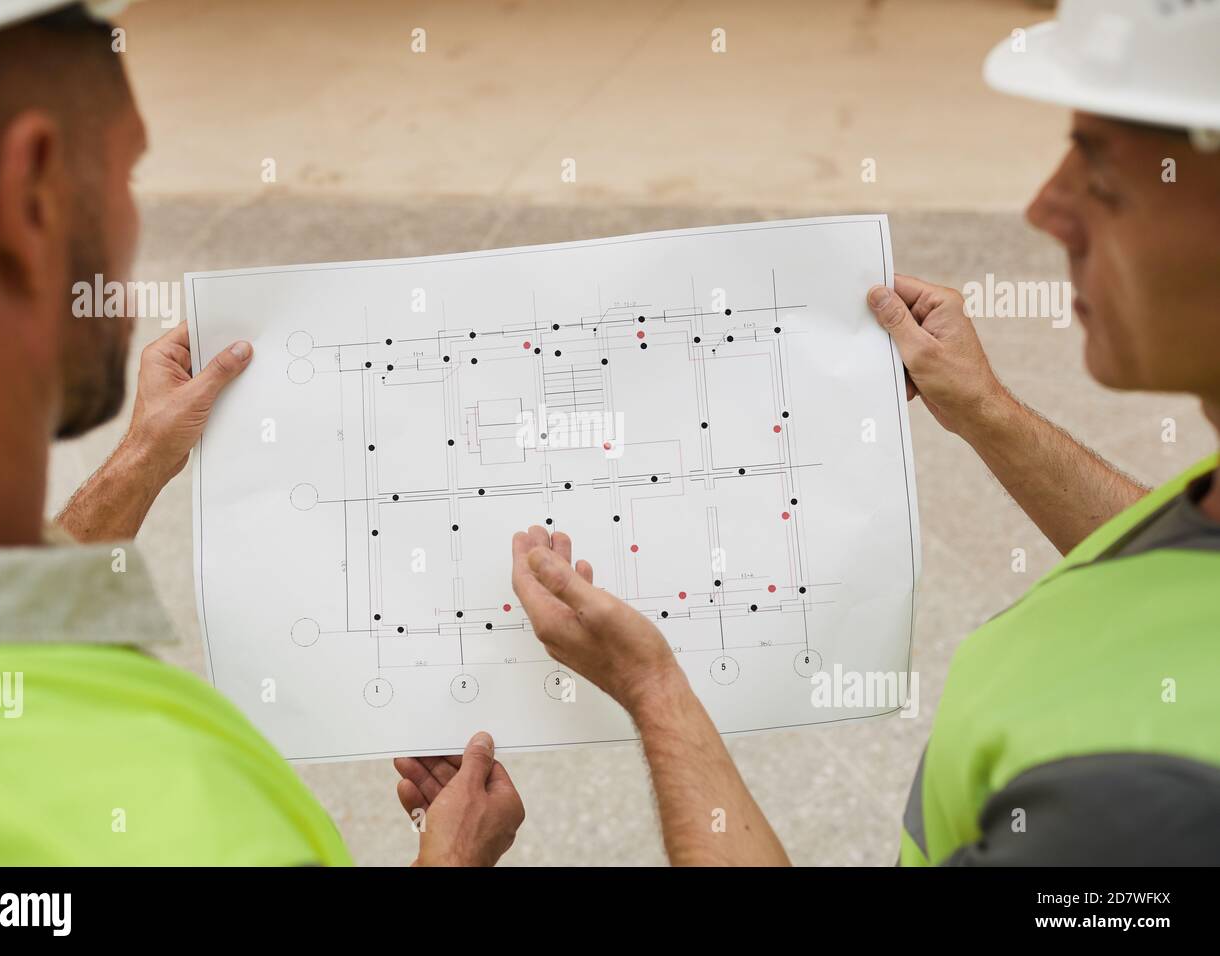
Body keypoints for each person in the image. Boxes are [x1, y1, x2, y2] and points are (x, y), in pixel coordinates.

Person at [493, 0, 1220, 865]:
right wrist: (983, 410)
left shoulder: (1143, 816)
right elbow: (1175, 566)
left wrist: (653, 690)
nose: (1045, 210)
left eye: (1101, 178)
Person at [0, 1, 524, 866]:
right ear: (32, 199)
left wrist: (139, 460)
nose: (131, 226)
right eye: (126, 176)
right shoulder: (182, 818)